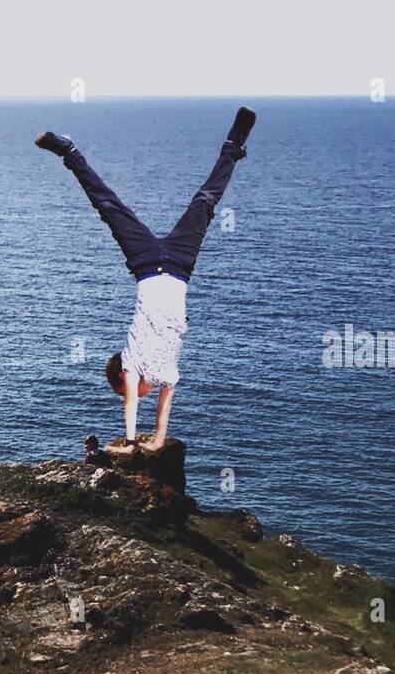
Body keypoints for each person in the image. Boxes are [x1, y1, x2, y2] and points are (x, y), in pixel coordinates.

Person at [35, 108, 256, 453]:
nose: (134, 394)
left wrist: (129, 442)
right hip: (180, 265)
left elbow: (132, 405)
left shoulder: (134, 362)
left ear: (124, 376)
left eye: (126, 390)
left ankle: (69, 152)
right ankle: (233, 147)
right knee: (204, 202)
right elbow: (164, 409)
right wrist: (154, 442)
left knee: (110, 207)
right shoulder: (166, 372)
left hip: (147, 263)